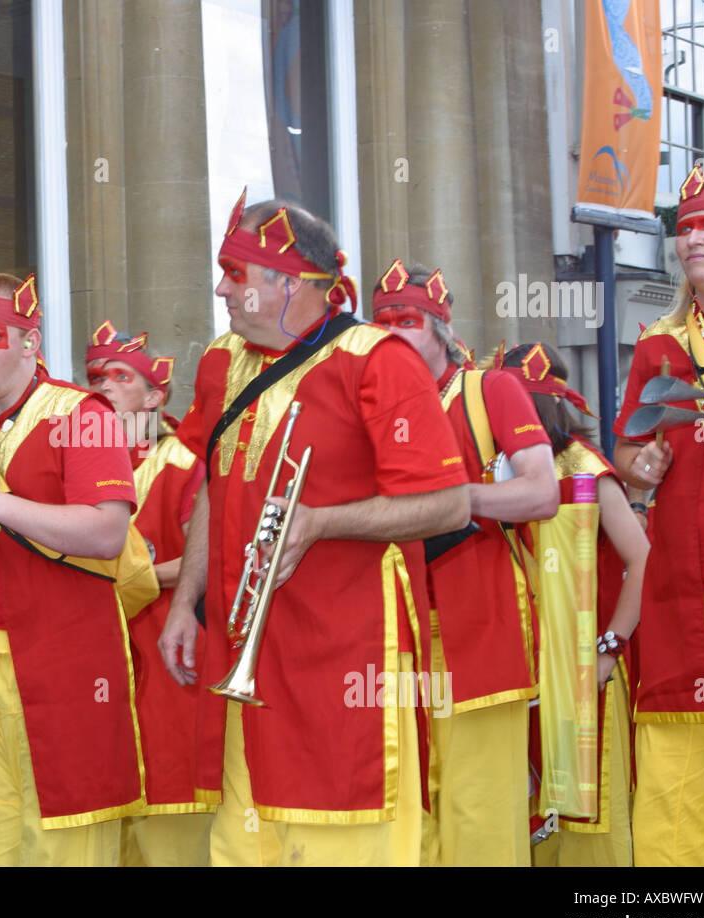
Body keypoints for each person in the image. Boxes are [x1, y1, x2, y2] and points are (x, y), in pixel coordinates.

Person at [159, 195, 470, 867]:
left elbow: (449, 505)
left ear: (288, 283)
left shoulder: (379, 360)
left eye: (235, 273)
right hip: (248, 650)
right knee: (243, 850)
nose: (220, 288)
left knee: (343, 842)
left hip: (344, 654)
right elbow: (217, 481)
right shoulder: (220, 362)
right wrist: (186, 602)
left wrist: (322, 521)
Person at [0, 264, 144, 866]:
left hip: (63, 664)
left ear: (30, 342)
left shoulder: (83, 414)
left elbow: (106, 532)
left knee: (64, 840)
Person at [370, 257, 559, 867]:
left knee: (479, 815)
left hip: (480, 626)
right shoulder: (373, 406)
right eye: (382, 321)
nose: (393, 331)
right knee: (408, 810)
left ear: (442, 328)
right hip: (393, 635)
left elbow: (542, 492)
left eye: (409, 319)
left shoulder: (491, 388)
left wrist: (453, 502)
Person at [613, 162, 704, 866]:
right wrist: (638, 467)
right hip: (682, 598)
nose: (693, 239)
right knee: (675, 787)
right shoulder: (657, 347)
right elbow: (629, 451)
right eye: (685, 227)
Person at [495, 342, 647, 867]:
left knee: (589, 831)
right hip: (515, 678)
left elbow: (642, 558)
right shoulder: (491, 469)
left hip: (584, 674)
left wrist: (609, 651)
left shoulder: (583, 468)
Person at [85, 321, 211, 866]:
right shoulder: (83, 465)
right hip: (103, 664)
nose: (101, 386)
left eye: (118, 376)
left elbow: (209, 560)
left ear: (155, 396)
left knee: (172, 809)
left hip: (166, 655)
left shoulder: (183, 463)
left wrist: (131, 579)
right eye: (94, 376)